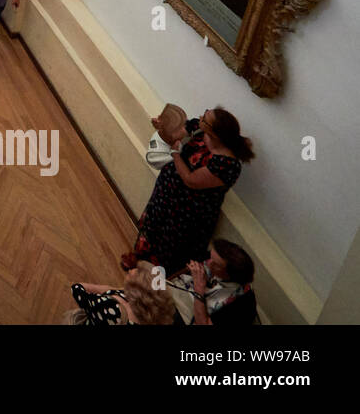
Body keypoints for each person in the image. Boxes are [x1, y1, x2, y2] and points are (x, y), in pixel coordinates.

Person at [130, 107, 253, 275]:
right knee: (151, 229)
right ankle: (137, 261)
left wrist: (175, 153)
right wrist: (162, 128)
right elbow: (173, 135)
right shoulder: (198, 127)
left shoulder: (227, 165)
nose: (201, 117)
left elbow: (191, 180)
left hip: (186, 217)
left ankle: (151, 282)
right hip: (165, 199)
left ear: (215, 133)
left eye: (206, 118)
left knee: (168, 249)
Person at [168, 239, 258, 326]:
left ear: (229, 275)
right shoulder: (212, 259)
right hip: (175, 296)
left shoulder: (243, 305)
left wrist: (199, 288)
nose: (208, 263)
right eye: (211, 257)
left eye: (216, 265)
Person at [69, 263, 179, 325]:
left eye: (138, 271)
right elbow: (112, 289)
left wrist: (81, 286)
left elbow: (76, 290)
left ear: (139, 287)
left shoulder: (112, 308)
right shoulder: (135, 305)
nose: (131, 270)